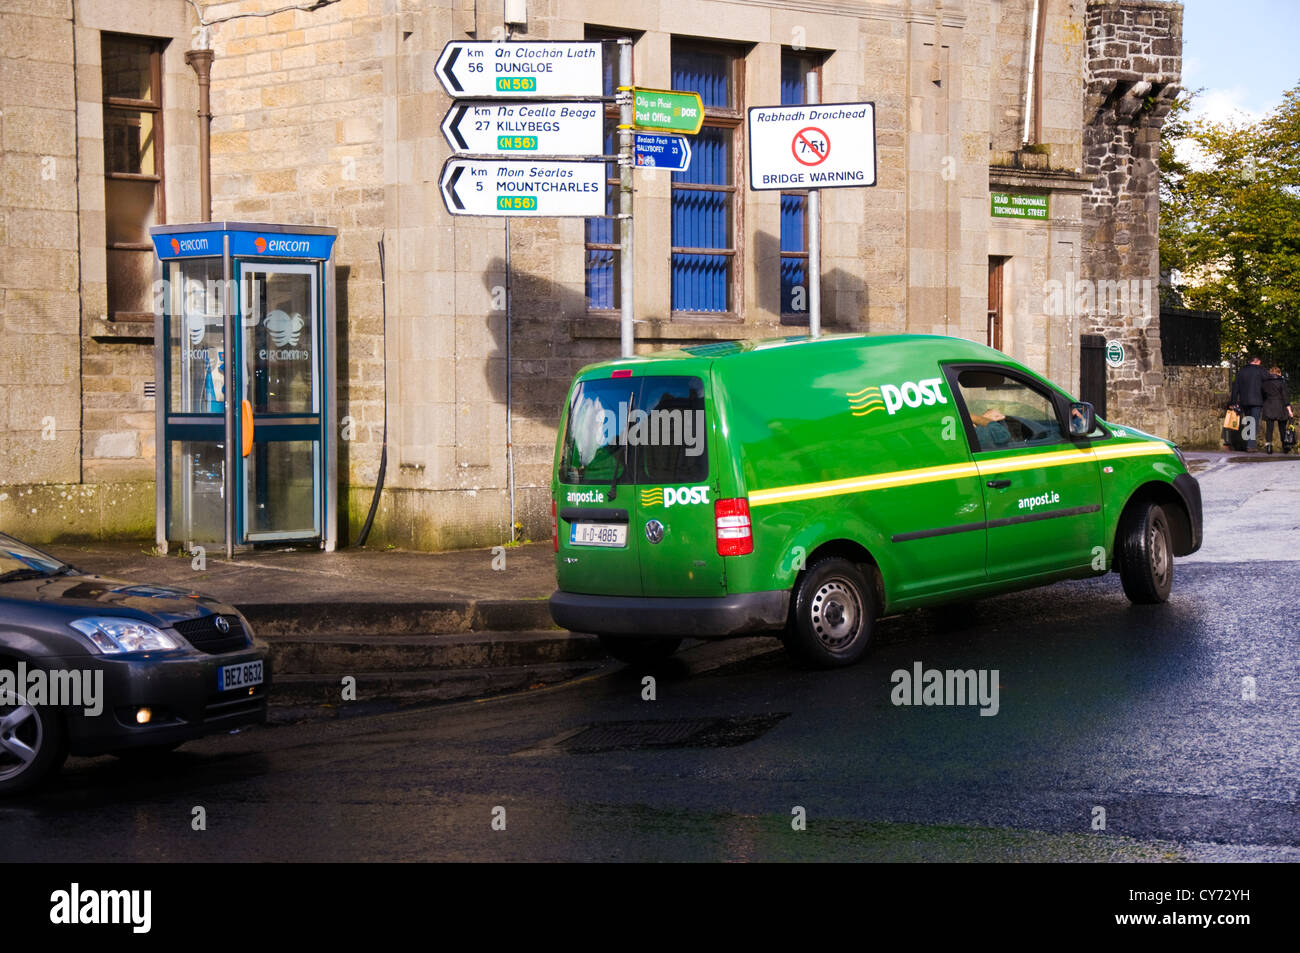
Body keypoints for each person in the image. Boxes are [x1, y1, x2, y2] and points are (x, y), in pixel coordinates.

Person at [1229, 356, 1269, 451]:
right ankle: (1250, 445)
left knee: (1248, 422)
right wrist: (1266, 398)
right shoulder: (1261, 371)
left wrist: (1233, 401)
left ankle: (1248, 443)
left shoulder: (1241, 371)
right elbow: (1267, 386)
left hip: (1244, 401)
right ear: (1257, 361)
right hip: (1257, 401)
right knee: (1253, 422)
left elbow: (1235, 388)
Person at [1261, 366, 1293, 454]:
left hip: (1269, 406)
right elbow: (1286, 397)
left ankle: (1269, 447)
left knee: (1269, 428)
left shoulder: (1265, 383)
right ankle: (1285, 446)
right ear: (1279, 373)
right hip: (1280, 407)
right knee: (1282, 428)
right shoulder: (1282, 383)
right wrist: (1289, 410)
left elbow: (1263, 395)